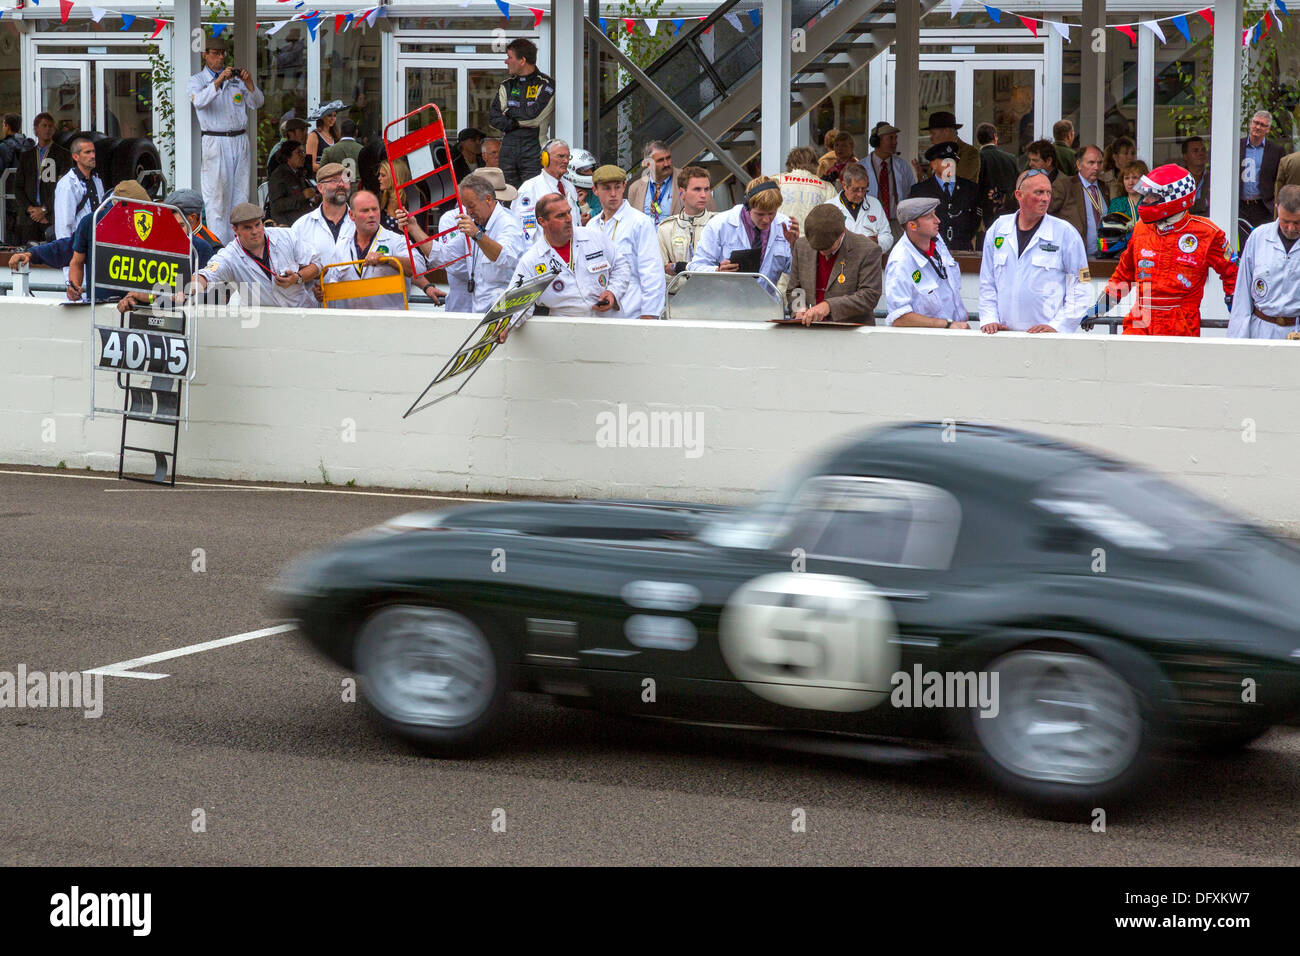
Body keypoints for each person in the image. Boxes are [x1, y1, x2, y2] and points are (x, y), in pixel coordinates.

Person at [1089, 164, 1238, 337]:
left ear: (1174, 198)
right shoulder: (1140, 229)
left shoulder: (1207, 233)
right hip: (1140, 319)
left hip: (1180, 324)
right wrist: (1099, 308)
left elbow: (1233, 273)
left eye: (1153, 196)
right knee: (1127, 362)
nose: (1145, 200)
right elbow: (1124, 276)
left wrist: (1236, 309)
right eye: (1146, 195)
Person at [979, 168, 1091, 333]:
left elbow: (1081, 285)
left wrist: (1058, 326)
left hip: (1047, 338)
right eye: (1039, 192)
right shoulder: (998, 229)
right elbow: (987, 282)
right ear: (1019, 195)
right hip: (1004, 334)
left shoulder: (1065, 233)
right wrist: (990, 319)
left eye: (1048, 193)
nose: (1045, 199)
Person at [504, 193, 627, 331]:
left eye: (568, 212)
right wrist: (504, 328)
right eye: (560, 216)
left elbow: (621, 266)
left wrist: (612, 292)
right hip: (568, 335)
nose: (569, 219)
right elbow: (516, 306)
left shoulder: (594, 237)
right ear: (542, 221)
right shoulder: (532, 260)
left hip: (611, 329)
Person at [411, 169, 527, 313]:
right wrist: (413, 227)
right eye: (465, 207)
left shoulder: (508, 223)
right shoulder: (476, 223)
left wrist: (478, 235)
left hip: (504, 312)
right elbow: (442, 257)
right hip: (478, 311)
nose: (468, 212)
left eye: (471, 206)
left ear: (489, 199)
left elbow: (505, 258)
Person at [187, 41, 264, 245]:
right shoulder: (198, 80)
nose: (220, 58)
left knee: (240, 194)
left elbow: (257, 103)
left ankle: (241, 246)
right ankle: (218, 247)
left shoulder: (235, 81)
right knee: (217, 198)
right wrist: (219, 80)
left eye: (222, 54)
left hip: (239, 139)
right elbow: (199, 101)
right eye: (215, 53)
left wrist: (249, 83)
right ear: (205, 55)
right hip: (216, 140)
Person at [190, 202, 320, 309]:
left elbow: (317, 265)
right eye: (247, 228)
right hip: (264, 326)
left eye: (258, 225)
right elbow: (208, 274)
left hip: (302, 314)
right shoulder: (229, 255)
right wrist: (191, 287)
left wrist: (297, 278)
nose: (255, 232)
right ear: (235, 230)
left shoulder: (286, 236)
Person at [689, 175, 799, 293]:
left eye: (771, 213)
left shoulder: (785, 227)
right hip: (727, 304)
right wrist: (718, 271)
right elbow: (694, 268)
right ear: (747, 206)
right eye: (760, 214)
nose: (766, 220)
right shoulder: (719, 225)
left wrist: (795, 247)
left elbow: (796, 273)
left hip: (766, 305)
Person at [786, 203, 882, 325]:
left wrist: (829, 306)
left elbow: (869, 296)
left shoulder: (867, 250)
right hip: (810, 332)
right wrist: (798, 309)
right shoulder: (802, 246)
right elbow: (794, 288)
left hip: (851, 334)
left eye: (828, 248)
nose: (822, 253)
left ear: (842, 233)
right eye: (817, 248)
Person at [590, 164, 665, 320]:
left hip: (632, 314)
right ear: (595, 190)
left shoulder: (640, 222)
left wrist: (650, 314)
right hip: (598, 313)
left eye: (617, 187)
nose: (613, 194)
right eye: (606, 188)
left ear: (624, 186)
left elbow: (652, 272)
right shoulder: (592, 225)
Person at [882, 196, 968, 329]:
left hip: (956, 332)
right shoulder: (900, 262)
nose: (938, 220)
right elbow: (899, 318)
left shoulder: (936, 240)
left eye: (935, 214)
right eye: (930, 217)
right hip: (928, 341)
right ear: (912, 226)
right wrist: (947, 324)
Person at [1228, 185, 1300, 339]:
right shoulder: (1258, 237)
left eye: (1297, 222)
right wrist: (1236, 342)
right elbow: (1243, 292)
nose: (1291, 228)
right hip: (1261, 330)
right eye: (1285, 221)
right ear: (1276, 210)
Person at [321, 190, 411, 310]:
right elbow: (334, 280)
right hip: (354, 324)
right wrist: (323, 291)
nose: (372, 214)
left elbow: (415, 268)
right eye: (365, 211)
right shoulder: (342, 245)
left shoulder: (396, 240)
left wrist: (387, 259)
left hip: (389, 323)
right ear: (351, 215)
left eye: (375, 209)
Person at [489, 37, 556, 187]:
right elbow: (493, 118)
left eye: (509, 57)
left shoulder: (546, 84)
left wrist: (509, 113)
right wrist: (516, 122)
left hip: (534, 149)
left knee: (532, 196)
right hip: (507, 149)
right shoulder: (506, 85)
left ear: (522, 60)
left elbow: (534, 117)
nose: (506, 61)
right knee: (507, 196)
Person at [909, 143, 979, 252]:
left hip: (962, 250)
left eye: (952, 161)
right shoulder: (920, 191)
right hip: (930, 252)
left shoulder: (970, 188)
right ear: (933, 164)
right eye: (945, 161)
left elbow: (975, 220)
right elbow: (913, 224)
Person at [14, 112, 70, 244]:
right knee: (27, 257)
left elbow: (63, 188)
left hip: (51, 217)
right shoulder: (26, 156)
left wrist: (45, 210)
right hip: (29, 217)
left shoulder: (63, 155)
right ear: (36, 129)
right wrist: (30, 209)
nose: (48, 129)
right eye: (44, 125)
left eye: (51, 126)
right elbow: (18, 187)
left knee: (51, 258)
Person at [290, 162, 355, 272]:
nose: (341, 184)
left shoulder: (361, 221)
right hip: (315, 288)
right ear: (320, 188)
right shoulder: (301, 226)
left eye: (345, 180)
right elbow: (293, 268)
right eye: (334, 180)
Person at [515, 140, 584, 240]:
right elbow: (524, 233)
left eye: (567, 156)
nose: (566, 161)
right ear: (545, 158)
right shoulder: (529, 189)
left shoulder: (570, 186)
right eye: (560, 156)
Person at [1049, 144, 1107, 256]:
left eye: (1099, 163)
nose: (1096, 167)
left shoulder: (1105, 188)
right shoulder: (1065, 186)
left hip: (1102, 257)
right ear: (1078, 165)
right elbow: (1046, 215)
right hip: (1072, 255)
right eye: (1091, 163)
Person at [658, 166, 716, 276]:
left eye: (707, 189)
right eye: (697, 189)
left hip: (712, 291)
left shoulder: (719, 224)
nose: (703, 195)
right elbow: (659, 272)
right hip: (676, 292)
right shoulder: (665, 228)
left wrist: (677, 269)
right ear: (681, 193)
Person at [864, 122, 916, 234]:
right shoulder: (862, 167)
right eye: (890, 138)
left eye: (895, 138)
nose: (895, 142)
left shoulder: (902, 166)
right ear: (876, 141)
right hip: (871, 224)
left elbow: (911, 193)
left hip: (897, 224)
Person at [1239, 111, 1283, 244]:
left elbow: (1280, 179)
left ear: (1268, 129)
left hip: (1263, 207)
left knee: (1263, 244)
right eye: (1256, 123)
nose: (1258, 127)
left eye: (1263, 125)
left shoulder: (1275, 151)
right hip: (1239, 207)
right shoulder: (1236, 145)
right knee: (1241, 243)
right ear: (1251, 124)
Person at [53, 136, 104, 241]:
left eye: (93, 152)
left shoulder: (97, 180)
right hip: (77, 243)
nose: (93, 156)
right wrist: (66, 251)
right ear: (76, 157)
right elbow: (63, 224)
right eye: (87, 152)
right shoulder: (67, 184)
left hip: (97, 241)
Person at [777, 146, 839, 231]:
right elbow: (834, 218)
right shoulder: (826, 187)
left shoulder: (776, 181)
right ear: (815, 164)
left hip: (781, 238)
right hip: (812, 240)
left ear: (790, 163)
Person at [835, 163, 893, 252]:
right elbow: (825, 239)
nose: (860, 194)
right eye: (855, 190)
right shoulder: (831, 206)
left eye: (864, 189)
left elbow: (887, 236)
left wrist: (877, 242)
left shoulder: (875, 204)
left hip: (869, 260)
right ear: (844, 185)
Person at [976, 122, 1018, 228]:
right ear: (994, 137)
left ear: (978, 139)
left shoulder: (977, 159)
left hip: (985, 214)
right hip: (1009, 212)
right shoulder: (1011, 158)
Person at [267, 142, 317, 225]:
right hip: (287, 225)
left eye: (303, 152)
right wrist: (303, 196)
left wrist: (313, 198)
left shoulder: (299, 173)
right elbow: (277, 205)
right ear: (288, 156)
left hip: (303, 221)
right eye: (299, 152)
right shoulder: (279, 176)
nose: (303, 155)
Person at [924, 112, 980, 184]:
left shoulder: (970, 152)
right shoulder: (936, 154)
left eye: (933, 133)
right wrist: (922, 176)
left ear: (946, 131)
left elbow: (957, 182)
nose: (931, 138)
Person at [376, 157, 423, 235]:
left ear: (395, 177)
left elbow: (418, 231)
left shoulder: (414, 199)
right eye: (379, 175)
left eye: (383, 176)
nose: (379, 178)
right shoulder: (379, 199)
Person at [305, 100, 343, 176]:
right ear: (322, 117)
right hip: (319, 179)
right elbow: (311, 165)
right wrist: (331, 169)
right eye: (329, 115)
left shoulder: (336, 136)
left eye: (334, 115)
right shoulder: (314, 136)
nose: (332, 118)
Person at [320, 119, 363, 184]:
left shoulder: (328, 151)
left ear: (340, 133)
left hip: (337, 189)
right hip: (358, 190)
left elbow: (322, 173)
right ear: (356, 133)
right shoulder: (363, 150)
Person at [565, 147, 601, 221]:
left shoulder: (594, 192)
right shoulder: (561, 192)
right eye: (586, 170)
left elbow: (599, 217)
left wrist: (583, 204)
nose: (591, 173)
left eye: (592, 170)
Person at [1098, 136, 1136, 203]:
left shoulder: (1141, 178)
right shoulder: (1103, 180)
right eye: (1126, 153)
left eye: (1133, 153)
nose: (1130, 157)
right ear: (1115, 157)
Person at [1182, 136, 1210, 216]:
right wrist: (1203, 203)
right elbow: (1178, 207)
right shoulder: (1179, 179)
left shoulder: (1213, 178)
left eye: (1203, 150)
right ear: (1185, 156)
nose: (1201, 154)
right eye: (1195, 151)